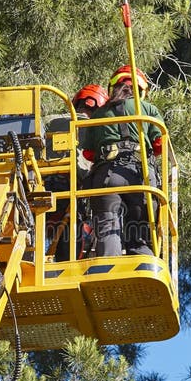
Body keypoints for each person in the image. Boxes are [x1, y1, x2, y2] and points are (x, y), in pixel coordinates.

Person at [82, 65, 163, 256]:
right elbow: (160, 144)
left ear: (113, 88)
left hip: (107, 177)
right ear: (141, 90)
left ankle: (109, 267)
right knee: (140, 233)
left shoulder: (99, 114)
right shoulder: (148, 109)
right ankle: (142, 266)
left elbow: (88, 154)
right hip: (139, 175)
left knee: (108, 230)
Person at [45, 84, 108, 260]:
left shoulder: (48, 120)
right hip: (69, 187)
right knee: (74, 228)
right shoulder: (100, 126)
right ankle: (66, 265)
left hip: (38, 187)